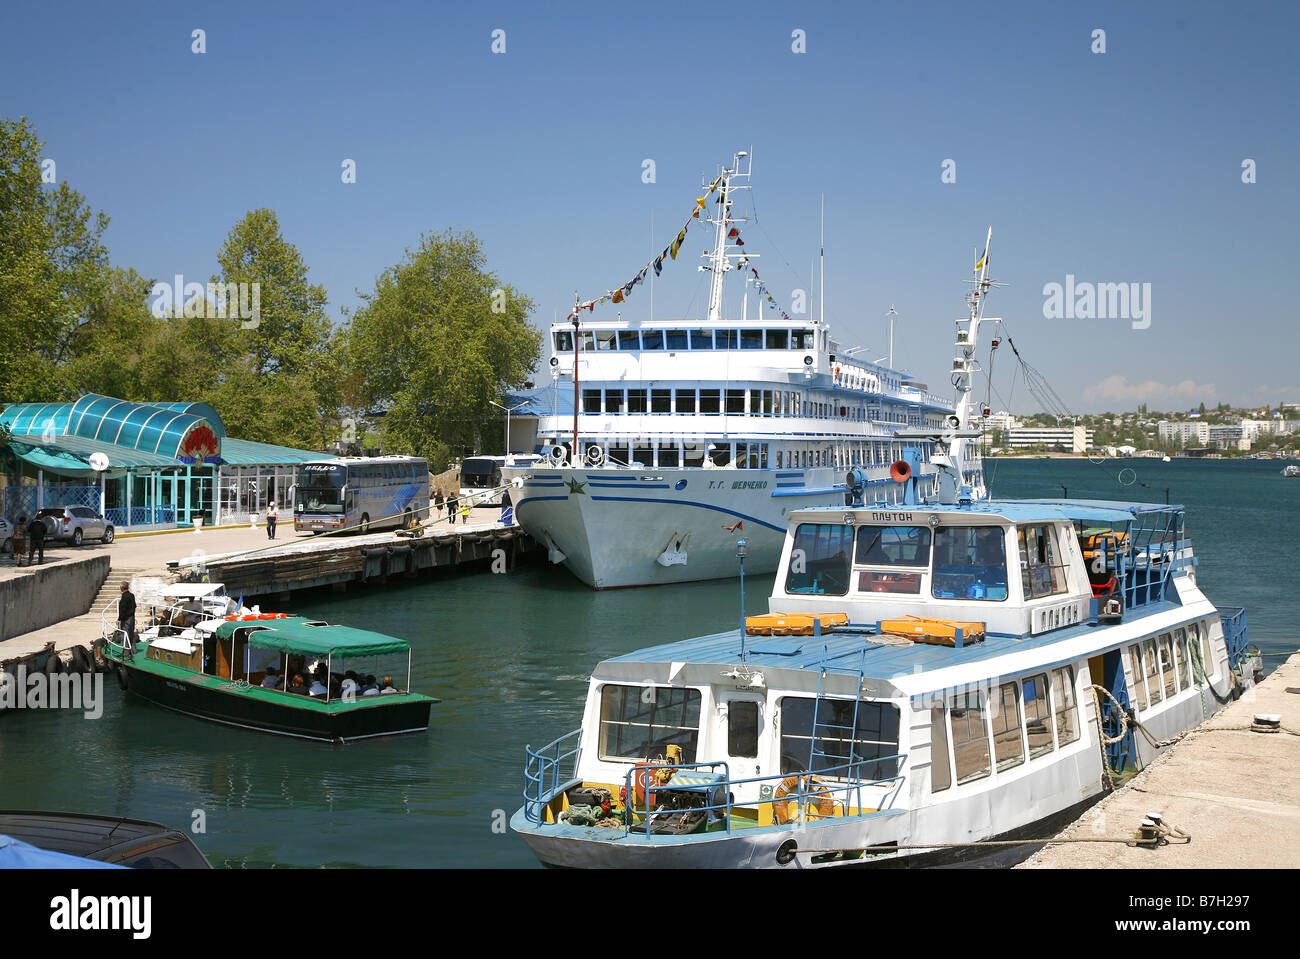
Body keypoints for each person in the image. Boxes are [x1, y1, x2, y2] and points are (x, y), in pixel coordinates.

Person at [117, 582, 137, 651]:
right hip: (132, 617)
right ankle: (133, 650)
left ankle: (126, 651)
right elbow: (134, 606)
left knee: (125, 634)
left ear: (122, 588)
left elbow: (123, 609)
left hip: (126, 619)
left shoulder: (124, 597)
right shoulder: (132, 595)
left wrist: (119, 619)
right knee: (131, 634)